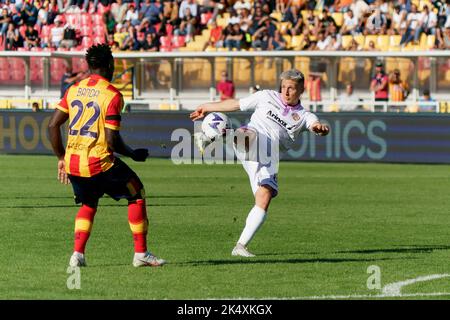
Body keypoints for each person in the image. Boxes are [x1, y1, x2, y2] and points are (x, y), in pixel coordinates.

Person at [190, 69, 330, 257]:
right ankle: (213, 136)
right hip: (249, 140)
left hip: (267, 159)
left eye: (291, 88)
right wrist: (208, 106)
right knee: (250, 134)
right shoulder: (266, 96)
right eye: (284, 87)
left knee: (264, 197)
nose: (286, 91)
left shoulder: (304, 116)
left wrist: (320, 128)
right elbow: (236, 104)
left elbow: (315, 124)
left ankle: (240, 246)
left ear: (301, 90)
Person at [48, 44, 165, 268]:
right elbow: (111, 141)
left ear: (90, 66)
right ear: (109, 65)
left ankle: (77, 255)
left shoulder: (74, 89)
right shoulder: (111, 94)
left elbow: (53, 125)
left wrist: (61, 157)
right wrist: (132, 153)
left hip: (74, 164)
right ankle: (140, 254)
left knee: (89, 203)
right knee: (136, 193)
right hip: (99, 163)